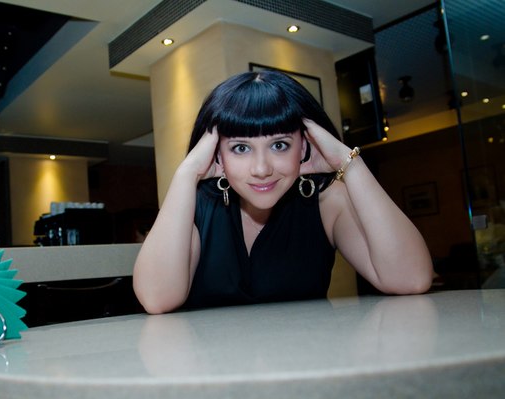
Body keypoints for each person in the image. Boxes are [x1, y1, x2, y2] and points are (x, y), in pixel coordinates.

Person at [133, 70, 433, 314]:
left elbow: (410, 279)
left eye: (279, 145)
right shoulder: (196, 206)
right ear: (217, 155)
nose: (261, 168)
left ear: (303, 147)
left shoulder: (329, 201)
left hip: (305, 364)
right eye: (240, 148)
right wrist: (186, 174)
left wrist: (349, 164)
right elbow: (157, 299)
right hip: (210, 369)